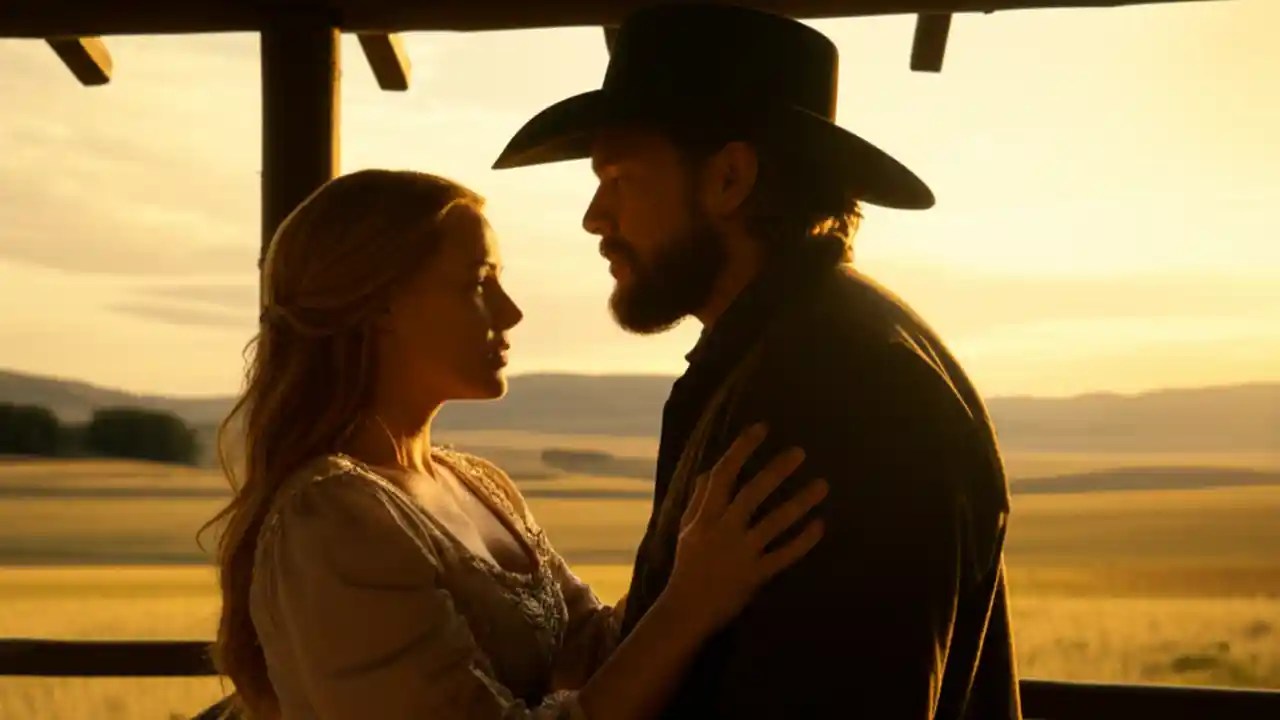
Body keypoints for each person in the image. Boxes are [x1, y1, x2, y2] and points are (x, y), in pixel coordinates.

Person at [493, 3, 1021, 718]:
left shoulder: (838, 387)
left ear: (729, 179)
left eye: (619, 177)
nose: (595, 216)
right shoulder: (808, 352)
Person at [201, 168, 829, 720]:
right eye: (480, 282)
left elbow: (598, 650)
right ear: (381, 303)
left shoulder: (478, 483)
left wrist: (698, 554)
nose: (511, 312)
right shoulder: (332, 517)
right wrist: (690, 605)